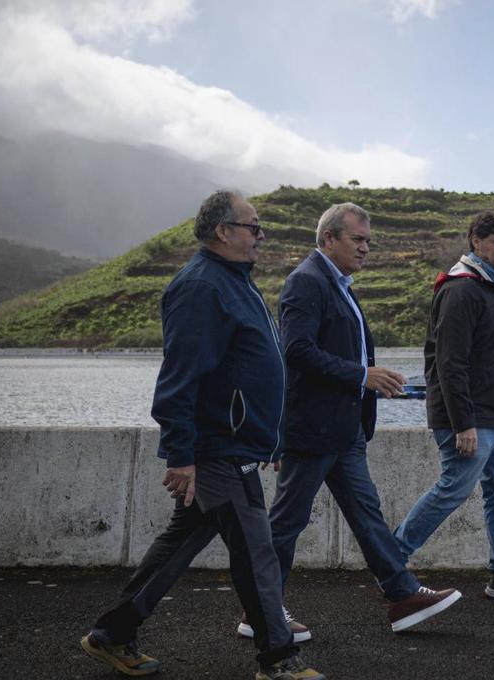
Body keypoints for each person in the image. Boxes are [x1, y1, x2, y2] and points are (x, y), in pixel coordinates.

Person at [80, 190, 324, 680]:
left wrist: (269, 438)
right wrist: (180, 454)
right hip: (217, 449)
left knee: (182, 541)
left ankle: (113, 633)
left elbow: (252, 368)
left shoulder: (234, 281)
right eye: (254, 227)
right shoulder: (201, 287)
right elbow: (180, 376)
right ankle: (278, 660)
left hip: (234, 444)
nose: (262, 236)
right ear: (223, 231)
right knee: (257, 553)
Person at [250, 202, 459, 639]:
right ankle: (260, 611)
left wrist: (364, 381)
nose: (366, 249)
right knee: (287, 523)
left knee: (366, 514)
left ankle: (402, 596)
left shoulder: (339, 284)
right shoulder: (306, 282)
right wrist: (363, 376)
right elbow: (297, 351)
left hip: (343, 431)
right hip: (313, 429)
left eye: (368, 241)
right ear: (329, 239)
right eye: (357, 240)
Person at [394, 210, 494, 599]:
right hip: (468, 418)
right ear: (476, 242)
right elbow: (449, 364)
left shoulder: (488, 288)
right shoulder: (461, 289)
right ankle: (390, 557)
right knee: (452, 489)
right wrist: (462, 422)